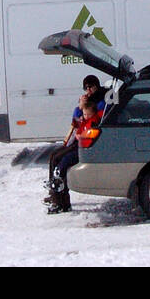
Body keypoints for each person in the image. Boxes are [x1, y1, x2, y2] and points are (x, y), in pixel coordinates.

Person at [45, 75, 106, 213]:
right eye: (86, 87)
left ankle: (59, 199)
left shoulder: (100, 102)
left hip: (85, 142)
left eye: (90, 87)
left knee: (61, 162)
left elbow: (93, 119)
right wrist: (80, 107)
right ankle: (54, 192)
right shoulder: (86, 101)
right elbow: (76, 119)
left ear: (96, 86)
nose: (88, 90)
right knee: (54, 156)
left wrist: (83, 110)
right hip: (79, 139)